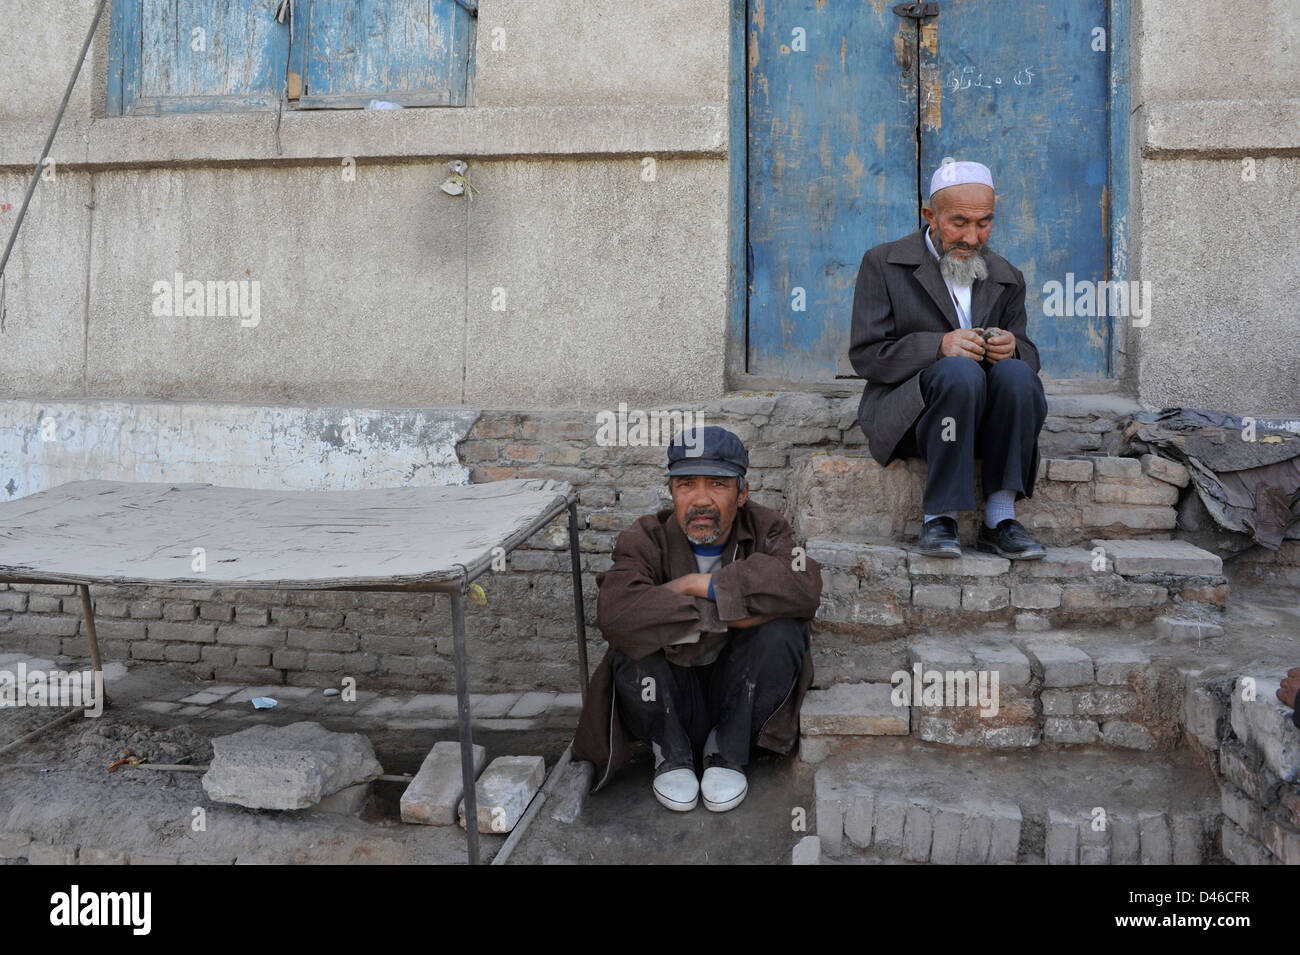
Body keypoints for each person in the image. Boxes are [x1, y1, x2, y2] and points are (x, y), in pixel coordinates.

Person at [572, 425, 822, 812]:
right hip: (670, 694)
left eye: (718, 485)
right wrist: (737, 613)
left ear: (742, 493)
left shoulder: (768, 528)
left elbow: (804, 585)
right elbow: (616, 613)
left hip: (738, 695)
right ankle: (670, 755)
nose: (701, 499)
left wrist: (694, 585)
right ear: (672, 492)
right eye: (687, 484)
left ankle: (726, 753)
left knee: (783, 632)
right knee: (631, 645)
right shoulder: (644, 537)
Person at [849, 160, 1049, 560]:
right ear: (930, 215)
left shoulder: (1007, 275)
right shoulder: (884, 263)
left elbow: (1028, 353)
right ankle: (938, 517)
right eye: (959, 223)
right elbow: (867, 356)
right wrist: (938, 346)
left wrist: (1013, 348)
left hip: (982, 421)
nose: (972, 237)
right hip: (913, 417)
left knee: (1017, 375)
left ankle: (1000, 517)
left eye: (984, 223)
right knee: (958, 371)